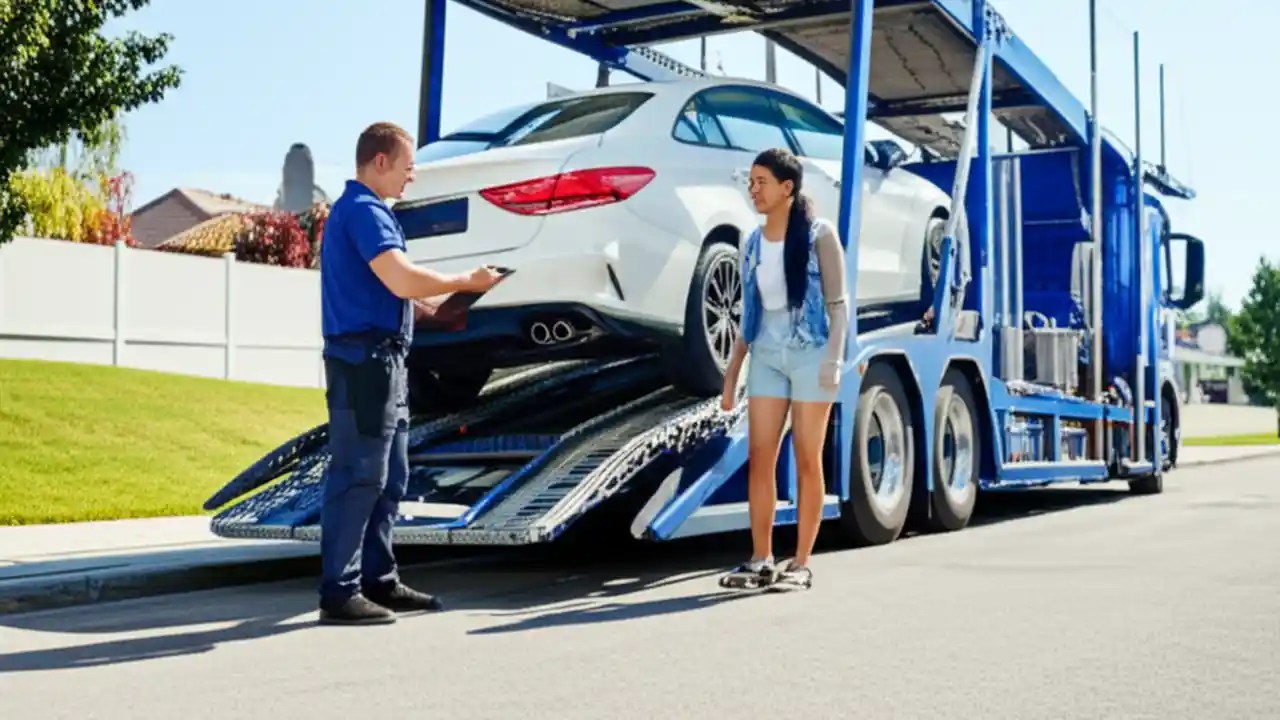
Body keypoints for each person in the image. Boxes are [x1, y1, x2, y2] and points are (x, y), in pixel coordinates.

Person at [317, 121, 504, 625]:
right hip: (363, 364)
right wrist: (465, 279)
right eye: (407, 167)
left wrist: (443, 309)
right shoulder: (363, 211)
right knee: (358, 475)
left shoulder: (364, 212)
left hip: (386, 361)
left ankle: (379, 580)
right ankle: (339, 591)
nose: (411, 178)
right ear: (381, 162)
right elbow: (399, 277)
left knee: (389, 475)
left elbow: (390, 291)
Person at [718, 147, 850, 592]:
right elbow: (748, 317)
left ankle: (801, 563)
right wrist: (732, 375)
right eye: (751, 182)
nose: (753, 190)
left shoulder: (818, 235)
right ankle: (761, 558)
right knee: (760, 457)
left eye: (762, 182)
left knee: (807, 458)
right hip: (768, 355)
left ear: (787, 188)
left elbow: (838, 305)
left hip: (813, 353)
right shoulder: (752, 243)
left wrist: (835, 357)